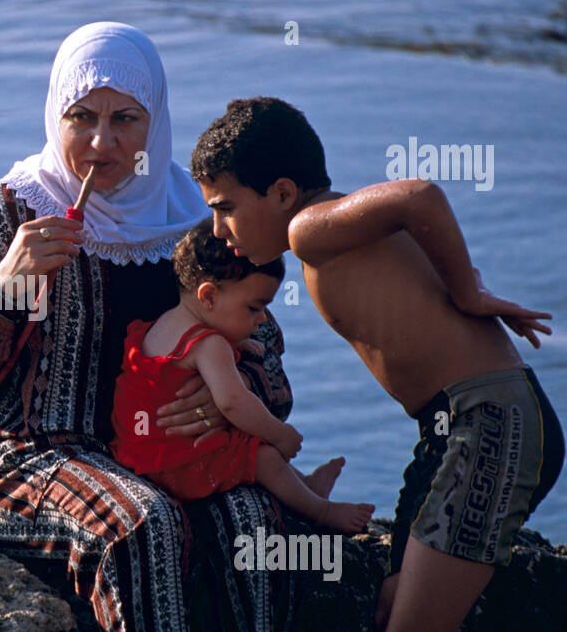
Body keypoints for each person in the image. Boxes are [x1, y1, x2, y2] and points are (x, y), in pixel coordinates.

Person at [0, 23, 331, 632]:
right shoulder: (6, 212)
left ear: (155, 122)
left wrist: (229, 395)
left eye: (124, 120)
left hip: (163, 454)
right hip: (31, 449)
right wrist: (7, 284)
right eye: (81, 118)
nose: (101, 144)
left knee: (256, 520)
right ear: (55, 115)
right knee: (142, 523)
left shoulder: (197, 225)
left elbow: (267, 360)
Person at [189, 95, 565, 632]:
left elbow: (419, 195)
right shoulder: (328, 228)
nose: (220, 230)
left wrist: (468, 291)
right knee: (391, 619)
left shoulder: (310, 228)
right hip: (452, 428)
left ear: (281, 192)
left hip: (490, 421)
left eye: (224, 209)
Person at [110, 220, 373, 536]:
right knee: (262, 456)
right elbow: (234, 403)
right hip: (176, 464)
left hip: (139, 453)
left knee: (247, 445)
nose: (261, 319)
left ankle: (305, 485)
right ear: (208, 296)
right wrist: (279, 434)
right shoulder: (210, 346)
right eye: (253, 308)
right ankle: (322, 511)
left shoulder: (161, 326)